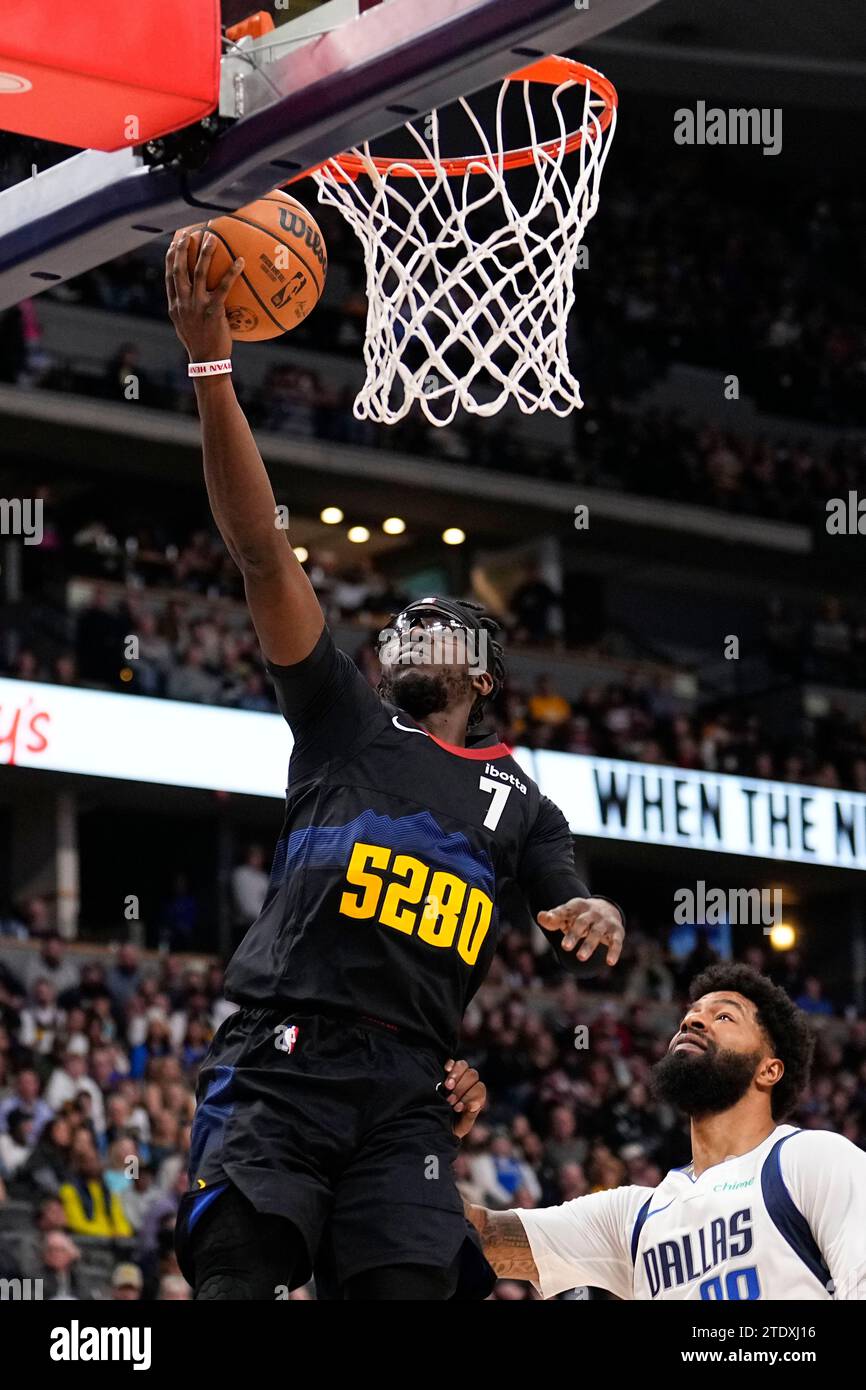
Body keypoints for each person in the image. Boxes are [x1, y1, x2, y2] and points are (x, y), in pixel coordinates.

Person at [165, 230, 625, 1302]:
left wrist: (587, 914)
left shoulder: (522, 802)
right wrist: (209, 369)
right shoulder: (341, 718)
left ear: (486, 675)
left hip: (410, 1094)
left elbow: (565, 902)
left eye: (442, 625)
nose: (414, 632)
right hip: (280, 1061)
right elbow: (259, 551)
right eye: (402, 624)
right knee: (237, 1277)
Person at [467, 964, 866, 1300]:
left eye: (723, 1016)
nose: (692, 1020)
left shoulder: (812, 1160)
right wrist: (418, 1129)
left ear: (769, 1069)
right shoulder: (634, 1216)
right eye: (690, 1015)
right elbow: (484, 1236)